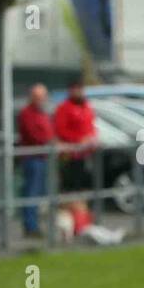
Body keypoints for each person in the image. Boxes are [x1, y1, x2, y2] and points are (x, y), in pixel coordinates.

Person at [54, 81, 96, 235]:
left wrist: (92, 138)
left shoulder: (86, 106)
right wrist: (79, 140)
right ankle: (72, 226)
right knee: (69, 193)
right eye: (76, 89)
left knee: (83, 191)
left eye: (81, 89)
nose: (79, 92)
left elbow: (90, 126)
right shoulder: (64, 108)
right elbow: (61, 130)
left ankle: (82, 224)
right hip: (70, 156)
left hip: (84, 156)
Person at [16, 84, 53, 237]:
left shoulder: (42, 113)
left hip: (42, 158)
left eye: (43, 97)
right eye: (38, 97)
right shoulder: (27, 113)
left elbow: (49, 131)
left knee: (37, 193)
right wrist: (49, 141)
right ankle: (30, 227)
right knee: (31, 193)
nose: (41, 100)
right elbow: (33, 135)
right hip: (32, 158)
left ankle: (34, 225)